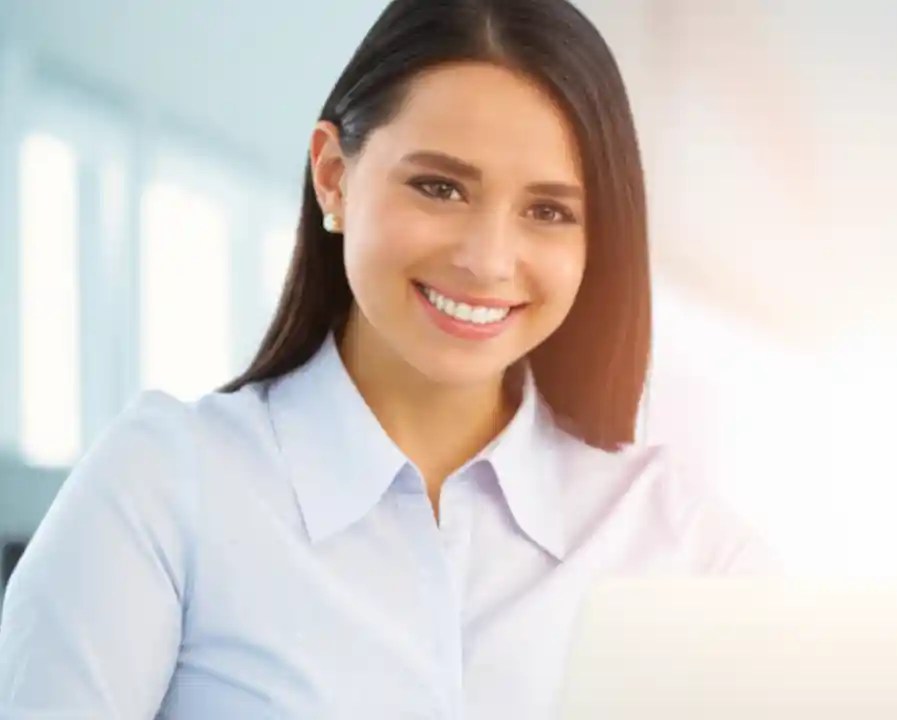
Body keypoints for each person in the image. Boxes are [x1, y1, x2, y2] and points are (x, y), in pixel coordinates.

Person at [0, 1, 772, 717]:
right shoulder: (163, 491)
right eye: (439, 187)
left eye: (548, 211)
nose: (487, 258)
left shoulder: (687, 548)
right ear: (334, 177)